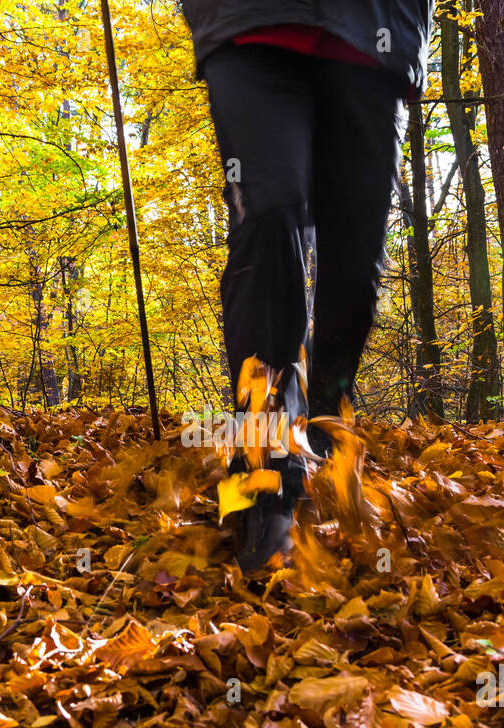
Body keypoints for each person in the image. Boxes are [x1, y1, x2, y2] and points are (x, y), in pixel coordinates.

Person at [180, 0, 434, 572]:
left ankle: (320, 426)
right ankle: (262, 474)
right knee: (268, 218)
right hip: (249, 24)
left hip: (374, 33)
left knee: (356, 260)